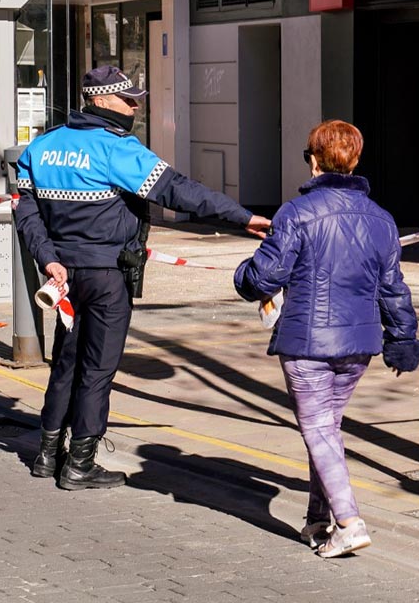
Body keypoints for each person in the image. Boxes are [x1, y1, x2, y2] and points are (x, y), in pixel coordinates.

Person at [15, 66, 270, 490]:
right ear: (100, 101)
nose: (135, 107)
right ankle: (80, 464)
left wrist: (47, 259)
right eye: (128, 100)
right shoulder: (117, 149)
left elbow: (26, 211)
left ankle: (47, 454)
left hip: (62, 279)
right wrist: (241, 217)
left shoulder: (43, 146)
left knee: (65, 365)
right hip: (106, 275)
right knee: (97, 369)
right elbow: (179, 190)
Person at [233, 120, 419, 558]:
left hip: (307, 341)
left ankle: (350, 523)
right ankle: (317, 520)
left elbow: (263, 278)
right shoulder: (381, 219)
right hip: (359, 344)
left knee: (318, 429)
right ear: (354, 161)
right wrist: (402, 337)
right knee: (326, 430)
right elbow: (393, 287)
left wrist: (244, 270)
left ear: (315, 161)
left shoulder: (296, 213)